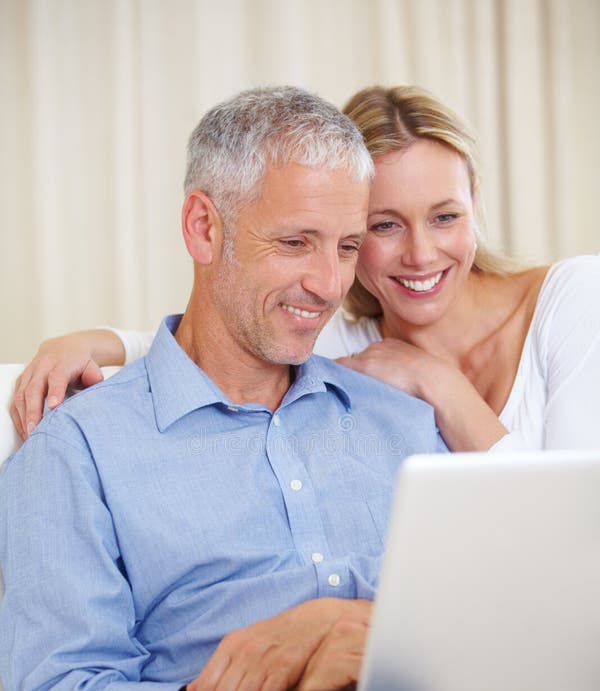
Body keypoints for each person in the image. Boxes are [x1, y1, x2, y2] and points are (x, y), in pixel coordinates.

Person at [4, 86, 600, 691]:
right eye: (296, 243)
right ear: (203, 227)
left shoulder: (395, 414)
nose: (327, 282)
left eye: (350, 246)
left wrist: (370, 634)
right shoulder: (78, 448)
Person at [10, 86, 600, 451]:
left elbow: (572, 521)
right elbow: (217, 343)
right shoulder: (343, 340)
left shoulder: (574, 300)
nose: (421, 254)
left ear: (475, 203)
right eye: (383, 226)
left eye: (444, 217)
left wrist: (439, 385)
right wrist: (87, 342)